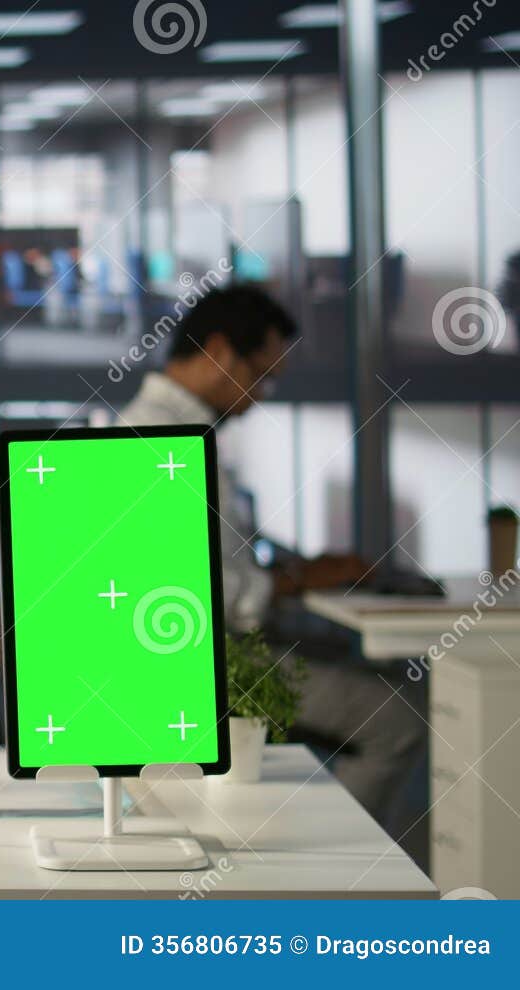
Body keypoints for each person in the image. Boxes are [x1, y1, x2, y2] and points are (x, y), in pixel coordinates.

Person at [115, 285, 423, 827]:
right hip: (212, 666)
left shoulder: (180, 431)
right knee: (397, 720)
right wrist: (294, 583)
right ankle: (322, 866)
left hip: (223, 651)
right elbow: (197, 594)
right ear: (217, 351)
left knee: (373, 671)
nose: (260, 395)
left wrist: (293, 576)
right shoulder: (161, 439)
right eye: (260, 375)